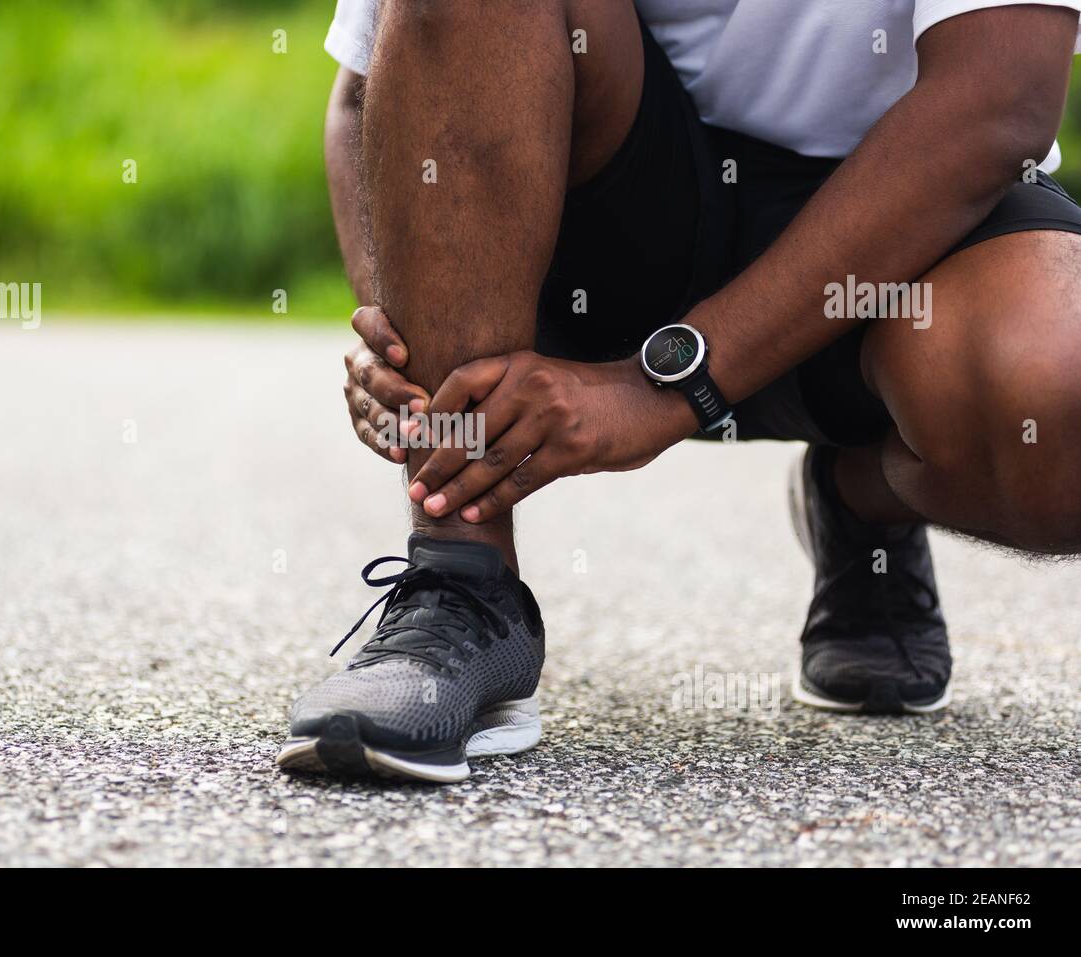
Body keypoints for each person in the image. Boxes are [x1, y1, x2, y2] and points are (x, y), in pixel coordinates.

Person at [276, 0, 1081, 783]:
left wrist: (665, 384)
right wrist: (398, 333)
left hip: (908, 231)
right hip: (623, 206)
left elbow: (998, 104)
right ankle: (461, 582)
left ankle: (865, 498)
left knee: (1057, 407)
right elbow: (365, 86)